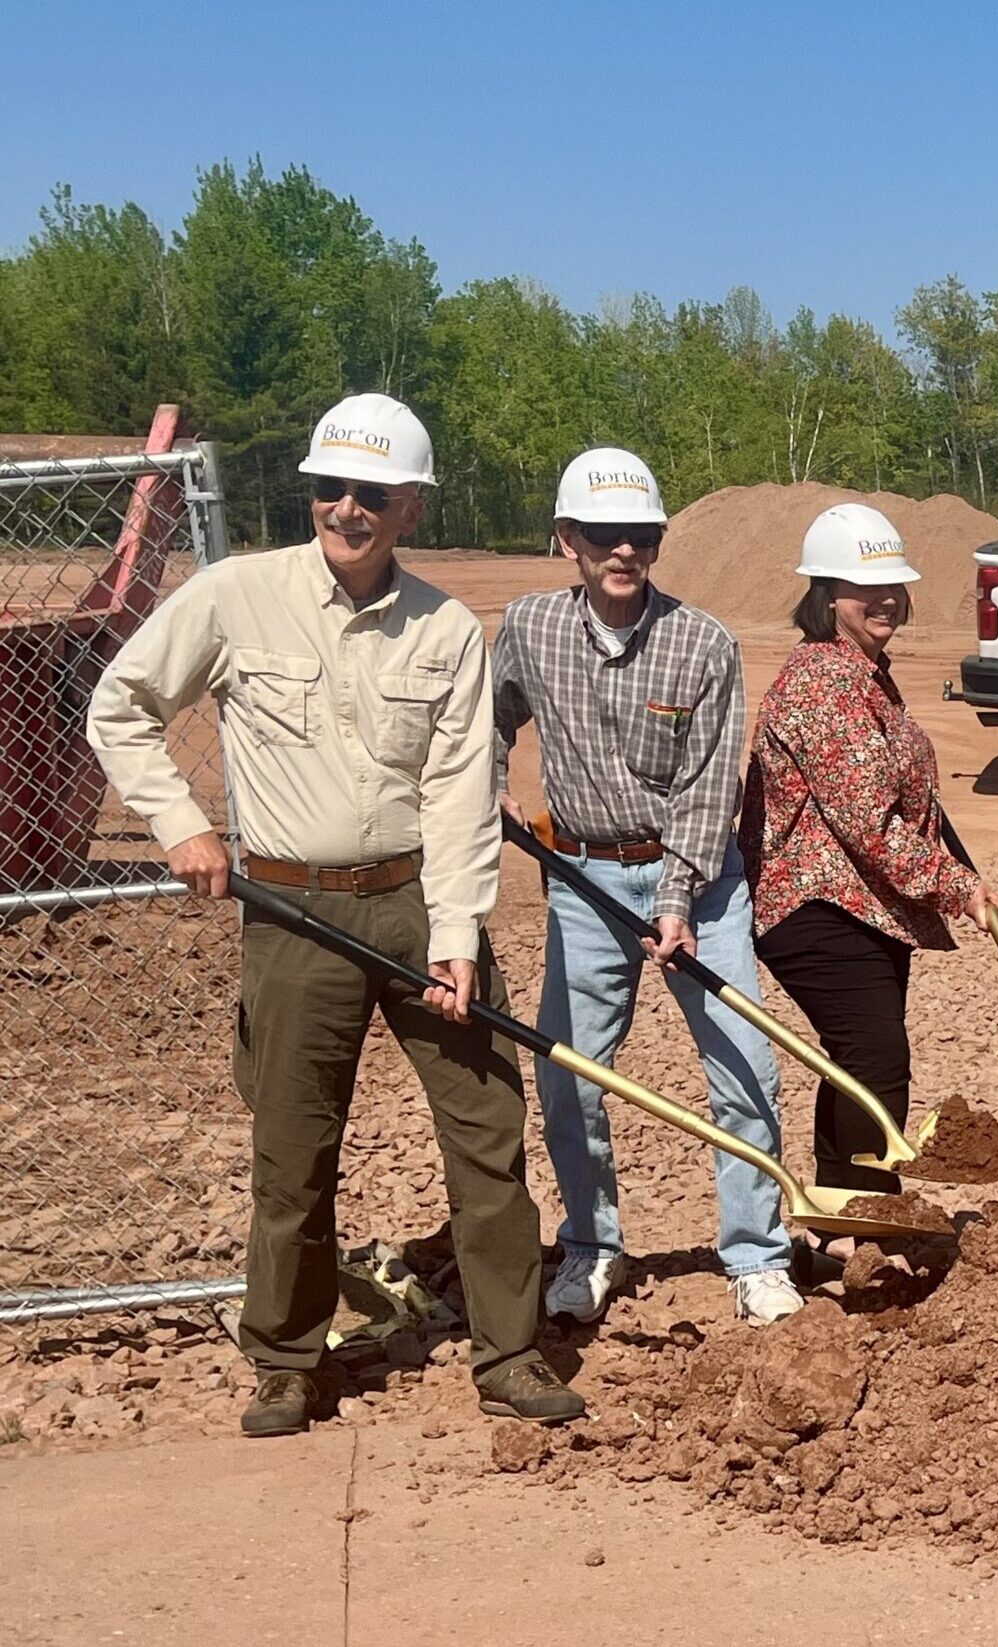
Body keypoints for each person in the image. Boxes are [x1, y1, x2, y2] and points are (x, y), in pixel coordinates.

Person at [86, 393, 580, 1434]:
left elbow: (456, 791)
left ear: (409, 506)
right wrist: (181, 824)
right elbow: (118, 708)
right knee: (294, 1147)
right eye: (329, 488)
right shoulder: (235, 598)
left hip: (412, 903)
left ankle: (510, 1352)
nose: (345, 508)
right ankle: (284, 1357)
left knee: (488, 1132)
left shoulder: (446, 628)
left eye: (370, 493)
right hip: (288, 911)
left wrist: (456, 937)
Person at [491, 449, 799, 1325]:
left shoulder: (702, 641)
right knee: (571, 1075)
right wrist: (490, 778)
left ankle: (758, 1255)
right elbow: (486, 713)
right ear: (568, 542)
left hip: (698, 881)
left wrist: (674, 898)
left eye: (640, 536)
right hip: (583, 878)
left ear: (659, 542)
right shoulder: (529, 626)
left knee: (745, 1063)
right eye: (602, 535)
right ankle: (591, 1244)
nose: (622, 551)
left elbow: (711, 786)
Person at [743, 503, 993, 1205]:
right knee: (876, 1055)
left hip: (863, 902)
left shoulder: (865, 670)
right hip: (814, 899)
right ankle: (867, 1213)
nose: (884, 599)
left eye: (893, 586)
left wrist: (948, 868)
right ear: (825, 595)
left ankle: (841, 1211)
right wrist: (953, 885)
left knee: (858, 1057)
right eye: (863, 588)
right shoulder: (824, 680)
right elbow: (869, 824)